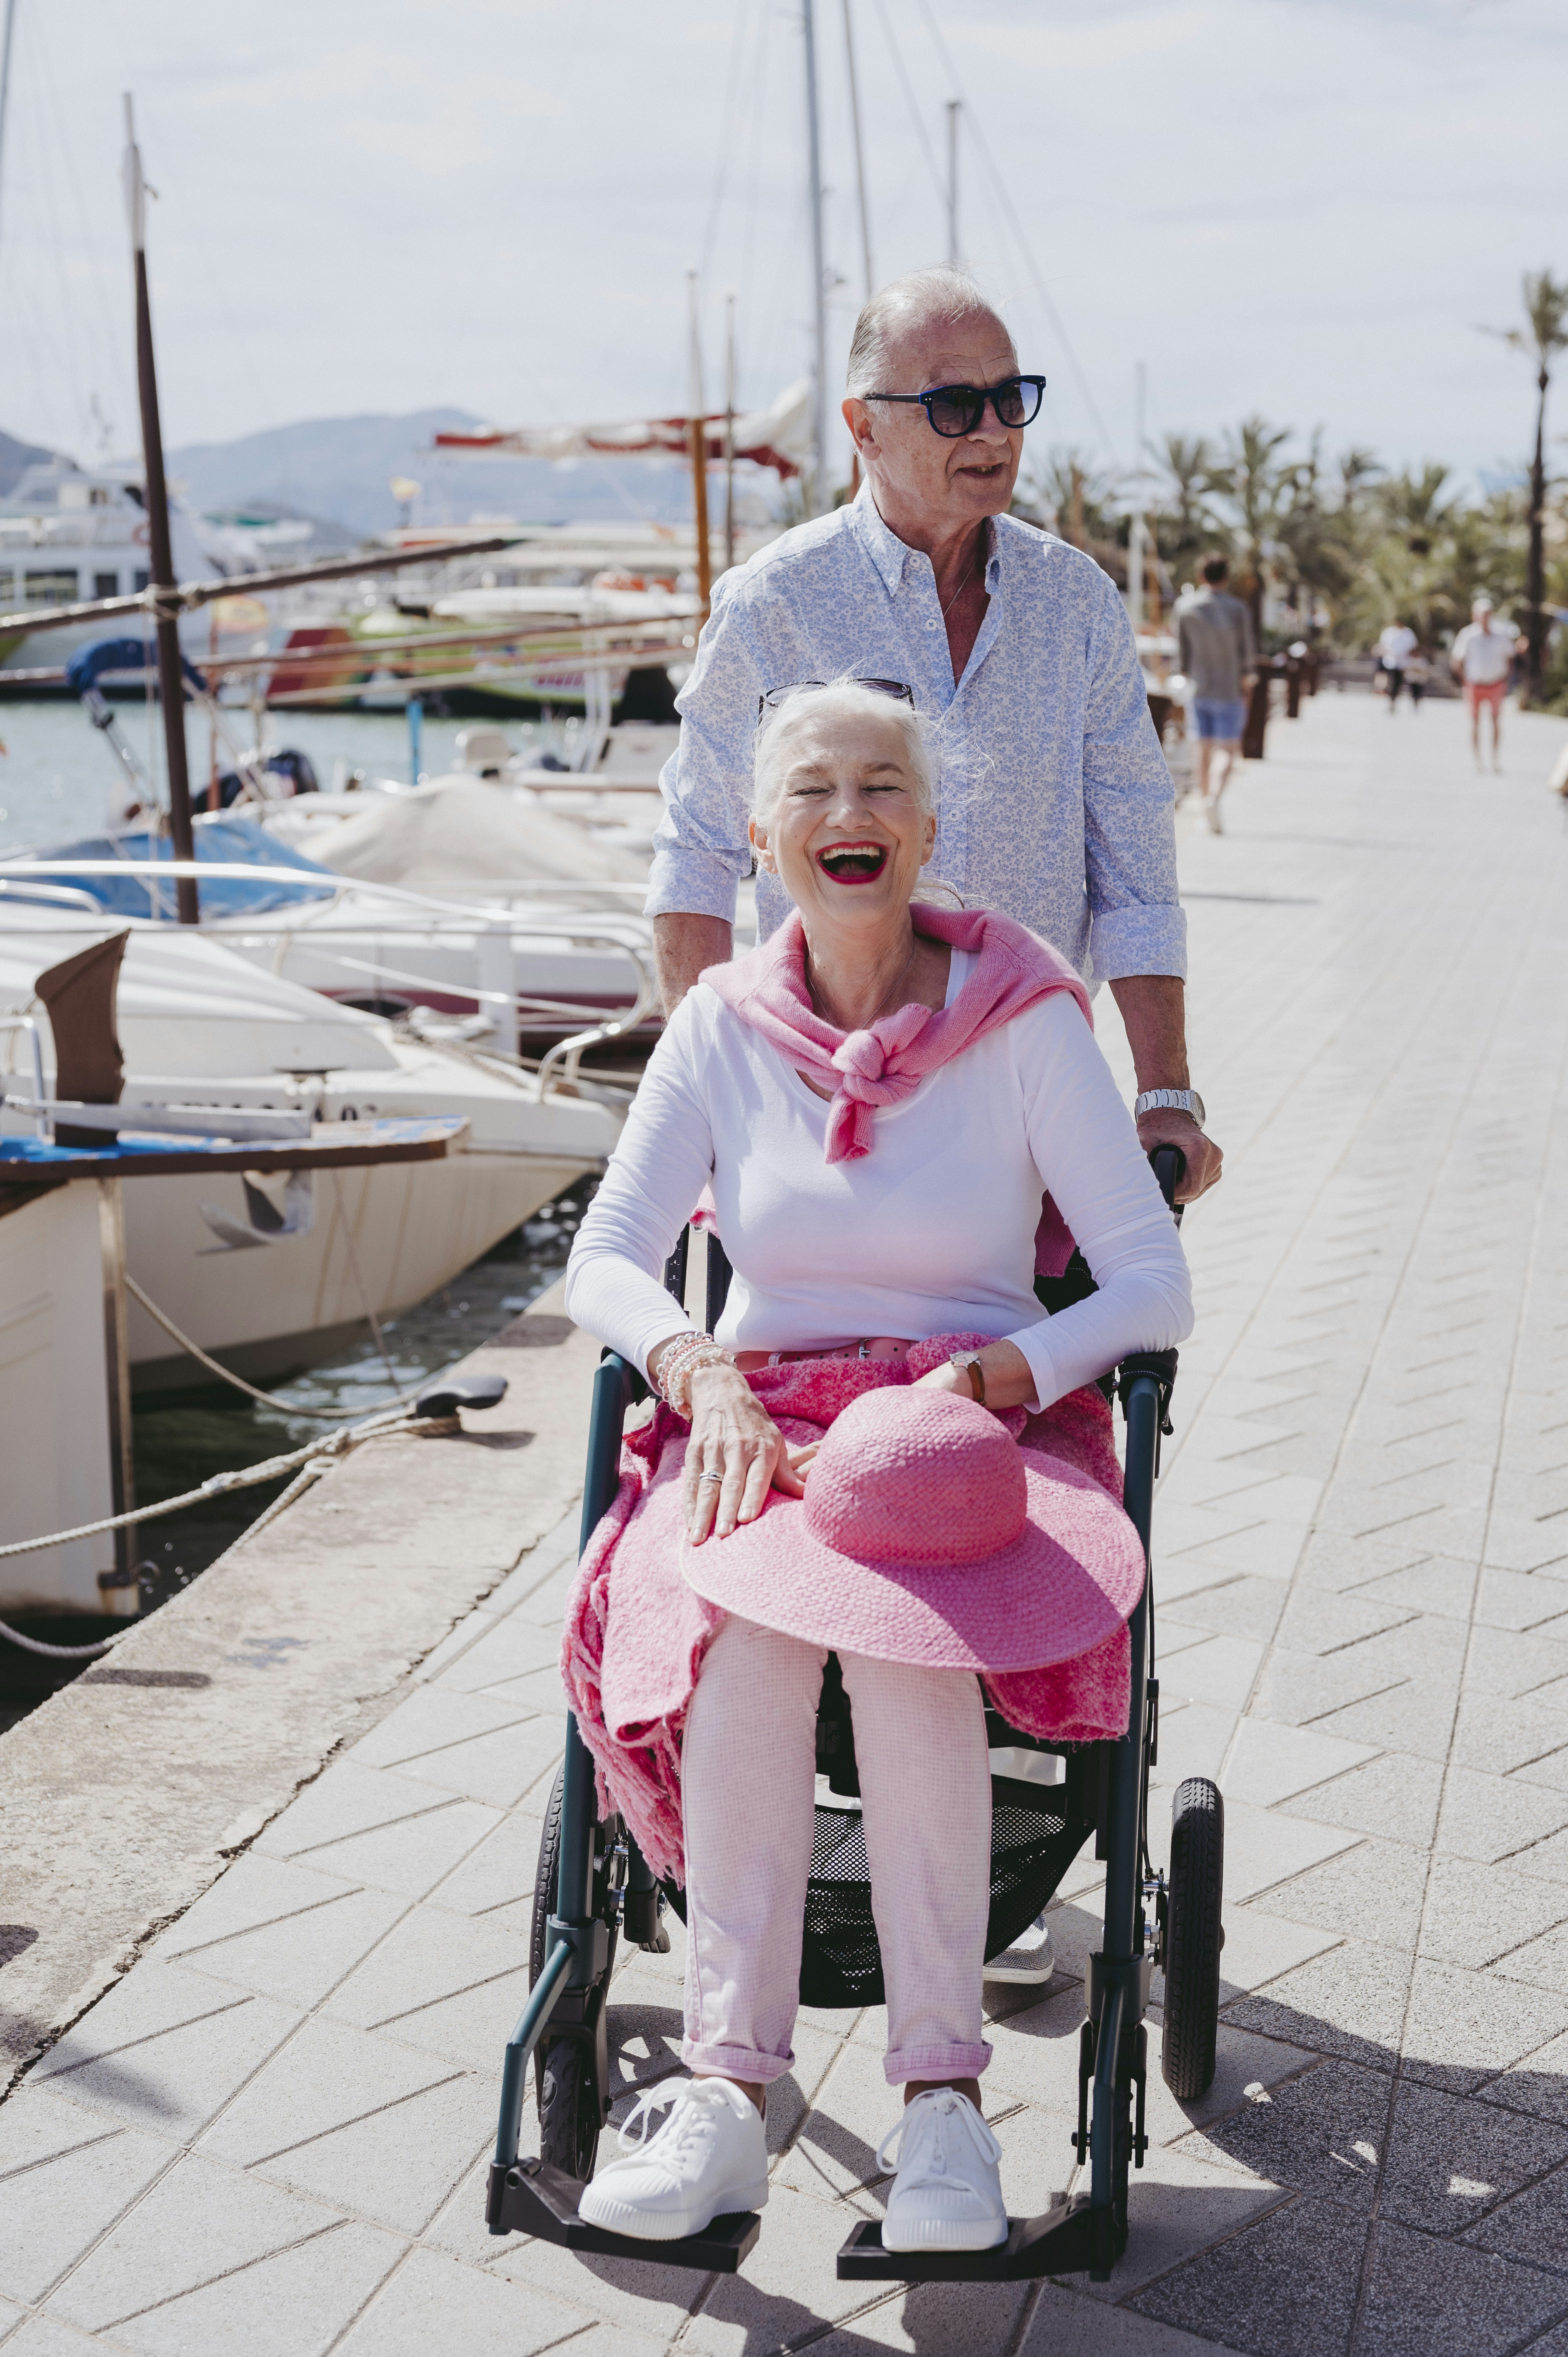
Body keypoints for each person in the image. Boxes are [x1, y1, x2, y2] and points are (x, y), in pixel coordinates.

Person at [563, 681, 1192, 2251]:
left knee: (916, 1625)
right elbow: (610, 1259)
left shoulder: (1025, 1015)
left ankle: (940, 2108)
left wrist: (998, 1373)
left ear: (925, 825)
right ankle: (727, 2083)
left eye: (884, 786)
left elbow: (1146, 1282)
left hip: (970, 1419)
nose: (850, 813)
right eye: (815, 791)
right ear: (765, 836)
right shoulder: (718, 1023)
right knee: (742, 1617)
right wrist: (695, 1365)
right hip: (760, 1414)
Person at [648, 267, 1221, 1204]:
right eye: (956, 405)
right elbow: (700, 852)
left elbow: (1134, 864)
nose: (994, 431)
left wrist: (1164, 1094)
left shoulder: (1078, 604)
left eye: (1009, 399)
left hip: (1031, 1094)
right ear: (864, 426)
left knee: (1049, 1351)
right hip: (822, 1106)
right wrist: (701, 1090)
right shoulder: (774, 602)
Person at [1177, 554, 1258, 833]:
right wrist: (1248, 679)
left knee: (1202, 747)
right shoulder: (1238, 609)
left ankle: (1203, 803)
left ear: (1201, 576)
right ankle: (1214, 798)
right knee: (1227, 748)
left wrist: (1187, 675)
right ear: (1226, 577)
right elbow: (1247, 649)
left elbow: (1182, 654)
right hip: (1230, 688)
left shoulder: (1185, 607)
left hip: (1199, 688)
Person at [1450, 596, 1519, 773]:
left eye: (1488, 614)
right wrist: (1465, 679)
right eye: (1482, 614)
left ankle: (1495, 760)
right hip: (1474, 684)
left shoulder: (1502, 635)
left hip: (1496, 684)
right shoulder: (1468, 635)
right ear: (1475, 616)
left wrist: (1505, 677)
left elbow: (1511, 658)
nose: (1485, 618)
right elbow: (1457, 660)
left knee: (1496, 722)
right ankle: (1478, 761)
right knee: (1475, 722)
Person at [1376, 619, 1418, 712]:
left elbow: (1413, 647)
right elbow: (1383, 646)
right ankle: (1391, 700)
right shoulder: (1388, 632)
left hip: (1403, 663)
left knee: (1398, 683)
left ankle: (1393, 700)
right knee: (1392, 682)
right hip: (1390, 662)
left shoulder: (1408, 633)